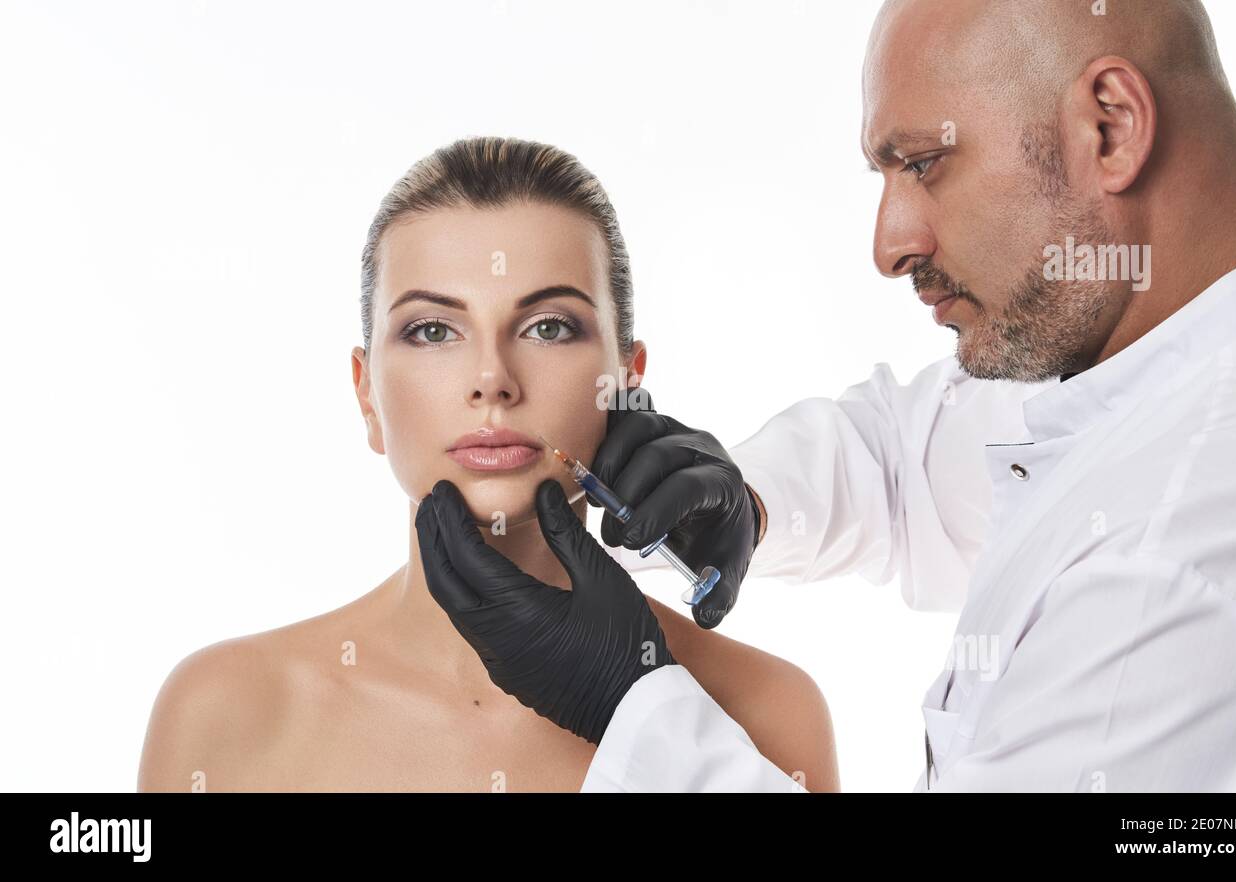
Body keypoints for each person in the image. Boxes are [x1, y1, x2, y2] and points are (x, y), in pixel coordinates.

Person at [418, 0, 1236, 792]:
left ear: (1110, 127)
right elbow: (916, 460)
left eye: (925, 163)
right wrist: (747, 502)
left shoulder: (1188, 557)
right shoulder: (1168, 338)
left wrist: (626, 705)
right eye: (430, 329)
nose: (889, 246)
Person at [136, 136, 839, 792]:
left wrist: (633, 699)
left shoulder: (765, 711)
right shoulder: (223, 712)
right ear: (367, 394)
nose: (492, 380)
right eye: (432, 330)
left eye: (548, 327)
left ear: (627, 385)